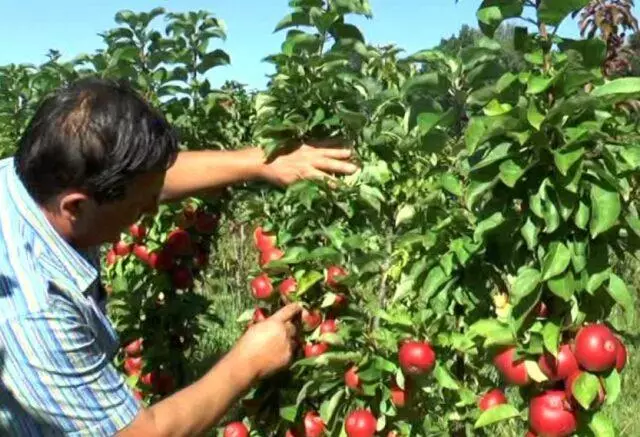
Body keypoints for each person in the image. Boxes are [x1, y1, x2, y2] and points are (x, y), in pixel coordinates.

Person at [0, 77, 358, 436]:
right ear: (76, 206)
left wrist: (261, 162)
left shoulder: (35, 177)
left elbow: (146, 182)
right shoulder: (34, 309)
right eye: (139, 209)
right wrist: (246, 364)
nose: (151, 212)